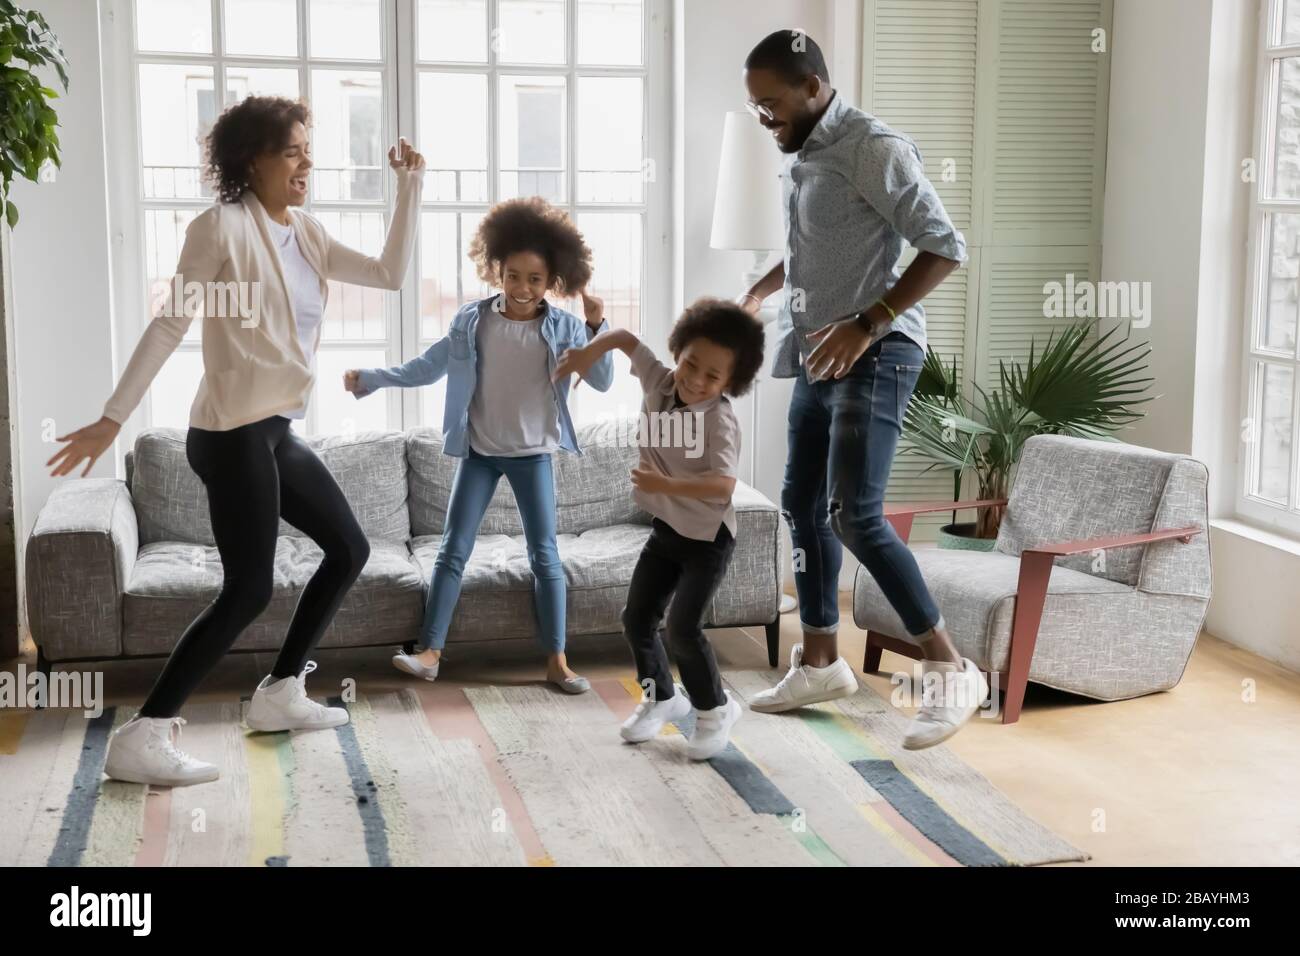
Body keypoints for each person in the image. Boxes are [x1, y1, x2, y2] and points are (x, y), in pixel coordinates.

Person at [47, 96, 426, 785]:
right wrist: (112, 415)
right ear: (251, 160)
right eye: (292, 151)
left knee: (348, 549)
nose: (306, 162)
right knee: (248, 589)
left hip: (273, 432)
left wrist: (410, 188)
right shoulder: (219, 228)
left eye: (308, 150)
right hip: (229, 436)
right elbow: (170, 324)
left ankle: (280, 694)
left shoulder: (304, 232)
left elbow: (389, 275)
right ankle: (144, 734)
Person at [737, 30, 987, 749]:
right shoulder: (809, 153)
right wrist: (763, 284)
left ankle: (949, 669)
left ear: (814, 85)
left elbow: (945, 244)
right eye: (756, 106)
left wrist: (869, 322)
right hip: (819, 354)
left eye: (772, 103)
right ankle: (820, 661)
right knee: (801, 504)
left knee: (854, 513)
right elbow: (821, 242)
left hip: (878, 353)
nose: (764, 118)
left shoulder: (873, 147)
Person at [345, 197, 614, 693]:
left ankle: (557, 660)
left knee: (545, 556)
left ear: (552, 281)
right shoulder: (473, 322)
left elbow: (602, 380)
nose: (522, 288)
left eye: (535, 279)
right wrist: (371, 378)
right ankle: (430, 652)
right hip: (480, 454)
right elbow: (425, 368)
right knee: (452, 551)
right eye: (513, 275)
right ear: (497, 271)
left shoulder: (565, 327)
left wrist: (598, 327)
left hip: (533, 455)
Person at [554, 299, 766, 759]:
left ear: (730, 382)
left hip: (708, 539)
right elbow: (627, 340)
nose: (695, 379)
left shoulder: (720, 422)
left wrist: (664, 483)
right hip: (667, 530)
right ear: (678, 351)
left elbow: (723, 486)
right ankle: (662, 697)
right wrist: (591, 352)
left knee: (684, 629)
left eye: (712, 376)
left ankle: (715, 711)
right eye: (690, 363)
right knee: (636, 619)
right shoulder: (660, 379)